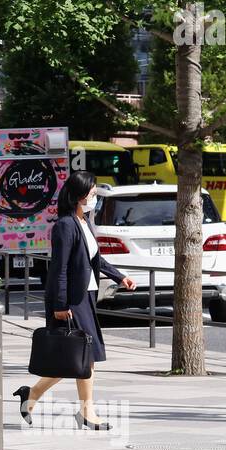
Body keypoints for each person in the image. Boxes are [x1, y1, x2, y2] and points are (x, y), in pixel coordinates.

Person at [14, 170, 136, 431]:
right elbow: (59, 269)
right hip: (70, 300)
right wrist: (60, 305)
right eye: (92, 194)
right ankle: (86, 412)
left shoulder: (85, 222)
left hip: (86, 296)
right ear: (80, 195)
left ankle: (32, 395)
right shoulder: (65, 225)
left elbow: (94, 260)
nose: (95, 198)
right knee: (82, 355)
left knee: (73, 357)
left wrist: (119, 277)